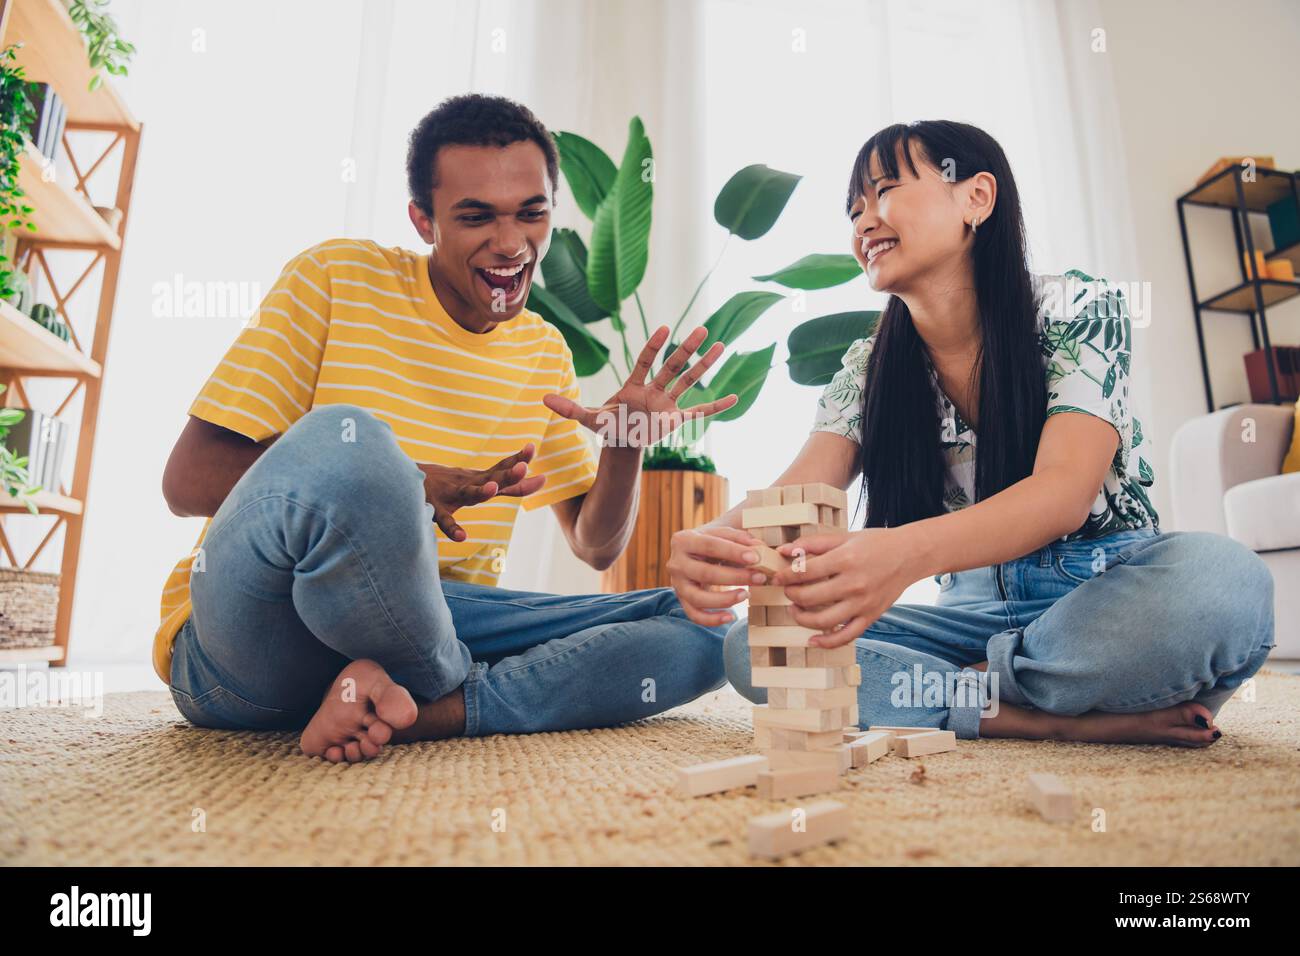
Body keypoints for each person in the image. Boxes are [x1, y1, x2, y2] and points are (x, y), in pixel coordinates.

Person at [157, 94, 736, 763]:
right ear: (423, 220)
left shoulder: (545, 351)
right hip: (257, 643)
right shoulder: (336, 278)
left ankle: (421, 710)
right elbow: (186, 480)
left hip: (437, 618)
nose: (512, 244)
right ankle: (435, 681)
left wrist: (626, 443)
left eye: (532, 213)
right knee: (350, 438)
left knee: (701, 626)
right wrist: (400, 487)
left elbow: (595, 545)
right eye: (475, 217)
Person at [667, 120, 1275, 747]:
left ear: (976, 198)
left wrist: (900, 555)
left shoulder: (1077, 308)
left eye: (884, 192)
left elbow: (1062, 494)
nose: (863, 223)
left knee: (1226, 580)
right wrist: (711, 540)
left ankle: (965, 694)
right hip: (967, 617)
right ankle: (1040, 715)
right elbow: (797, 491)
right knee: (756, 646)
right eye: (853, 210)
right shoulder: (867, 363)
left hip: (1098, 595)